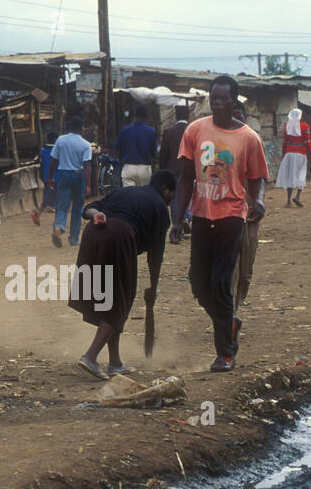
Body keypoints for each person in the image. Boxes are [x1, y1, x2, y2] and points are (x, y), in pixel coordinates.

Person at [170, 75, 269, 373]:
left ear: (234, 101)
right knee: (199, 284)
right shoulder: (195, 130)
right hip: (201, 216)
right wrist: (177, 218)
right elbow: (186, 177)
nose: (219, 104)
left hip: (231, 217)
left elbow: (257, 179)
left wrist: (259, 201)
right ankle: (230, 324)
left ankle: (225, 354)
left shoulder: (249, 138)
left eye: (224, 99)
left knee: (220, 284)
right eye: (214, 99)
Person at [71, 170, 174, 379]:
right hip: (118, 238)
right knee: (119, 301)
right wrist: (153, 287)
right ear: (165, 189)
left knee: (106, 298)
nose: (173, 199)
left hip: (92, 234)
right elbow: (156, 254)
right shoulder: (160, 208)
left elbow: (88, 209)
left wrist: (94, 216)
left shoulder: (123, 192)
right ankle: (90, 356)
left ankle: (115, 362)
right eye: (173, 193)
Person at [232, 102, 267, 305]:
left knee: (245, 268)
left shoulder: (253, 140)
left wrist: (258, 200)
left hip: (250, 213)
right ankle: (228, 315)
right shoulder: (217, 142)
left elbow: (261, 177)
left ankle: (235, 307)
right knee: (228, 267)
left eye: (240, 118)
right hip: (225, 213)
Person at [48, 115, 93, 248]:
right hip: (78, 176)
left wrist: (50, 177)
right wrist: (88, 185)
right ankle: (74, 239)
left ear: (70, 127)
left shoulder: (61, 140)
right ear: (82, 128)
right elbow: (87, 166)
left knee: (62, 206)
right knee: (77, 208)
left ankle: (59, 227)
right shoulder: (85, 144)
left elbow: (53, 161)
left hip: (63, 174)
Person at [160, 104, 192, 235]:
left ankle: (178, 227)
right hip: (190, 171)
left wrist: (163, 172)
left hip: (172, 171)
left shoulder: (169, 132)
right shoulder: (193, 131)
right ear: (188, 115)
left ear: (176, 116)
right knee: (188, 197)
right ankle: (188, 219)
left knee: (174, 200)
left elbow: (163, 155)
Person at [113, 103, 157, 187]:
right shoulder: (151, 131)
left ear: (135, 115)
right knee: (143, 196)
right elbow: (153, 153)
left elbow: (118, 149)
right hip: (145, 168)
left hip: (128, 167)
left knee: (129, 197)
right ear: (147, 115)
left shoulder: (125, 130)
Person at [275, 107, 311, 208]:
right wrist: (310, 155)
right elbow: (307, 142)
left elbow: (284, 143)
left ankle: (288, 201)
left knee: (290, 176)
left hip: (289, 154)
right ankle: (298, 196)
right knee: (301, 175)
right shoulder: (305, 126)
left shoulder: (287, 126)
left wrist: (283, 155)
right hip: (301, 154)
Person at [31, 130, 58, 225]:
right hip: (56, 177)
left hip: (47, 178)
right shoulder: (57, 150)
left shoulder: (43, 151)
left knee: (47, 199)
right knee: (58, 199)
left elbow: (41, 165)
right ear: (55, 140)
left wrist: (43, 177)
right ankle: (57, 221)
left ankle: (37, 213)